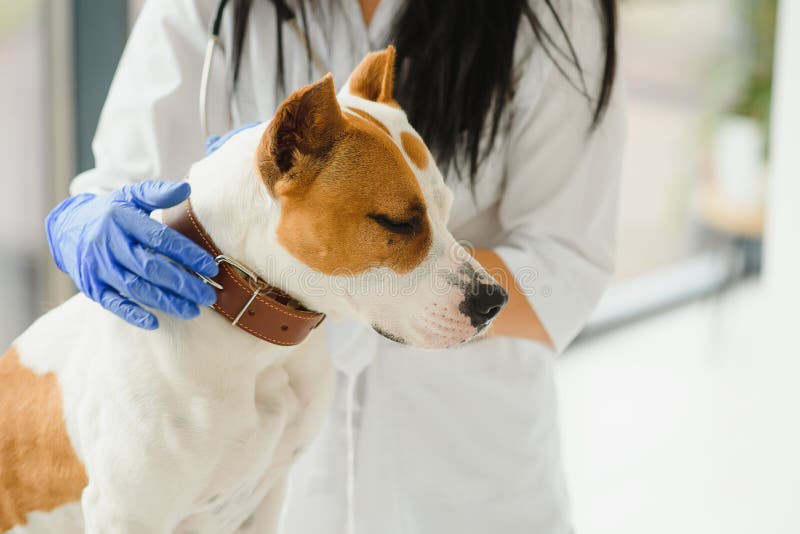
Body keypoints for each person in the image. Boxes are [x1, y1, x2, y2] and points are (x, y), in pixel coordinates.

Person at [45, 0, 625, 532]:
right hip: (243, 490)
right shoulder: (205, 8)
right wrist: (85, 219)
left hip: (463, 483)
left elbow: (564, 266)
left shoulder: (557, 18)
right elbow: (125, 189)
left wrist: (354, 289)